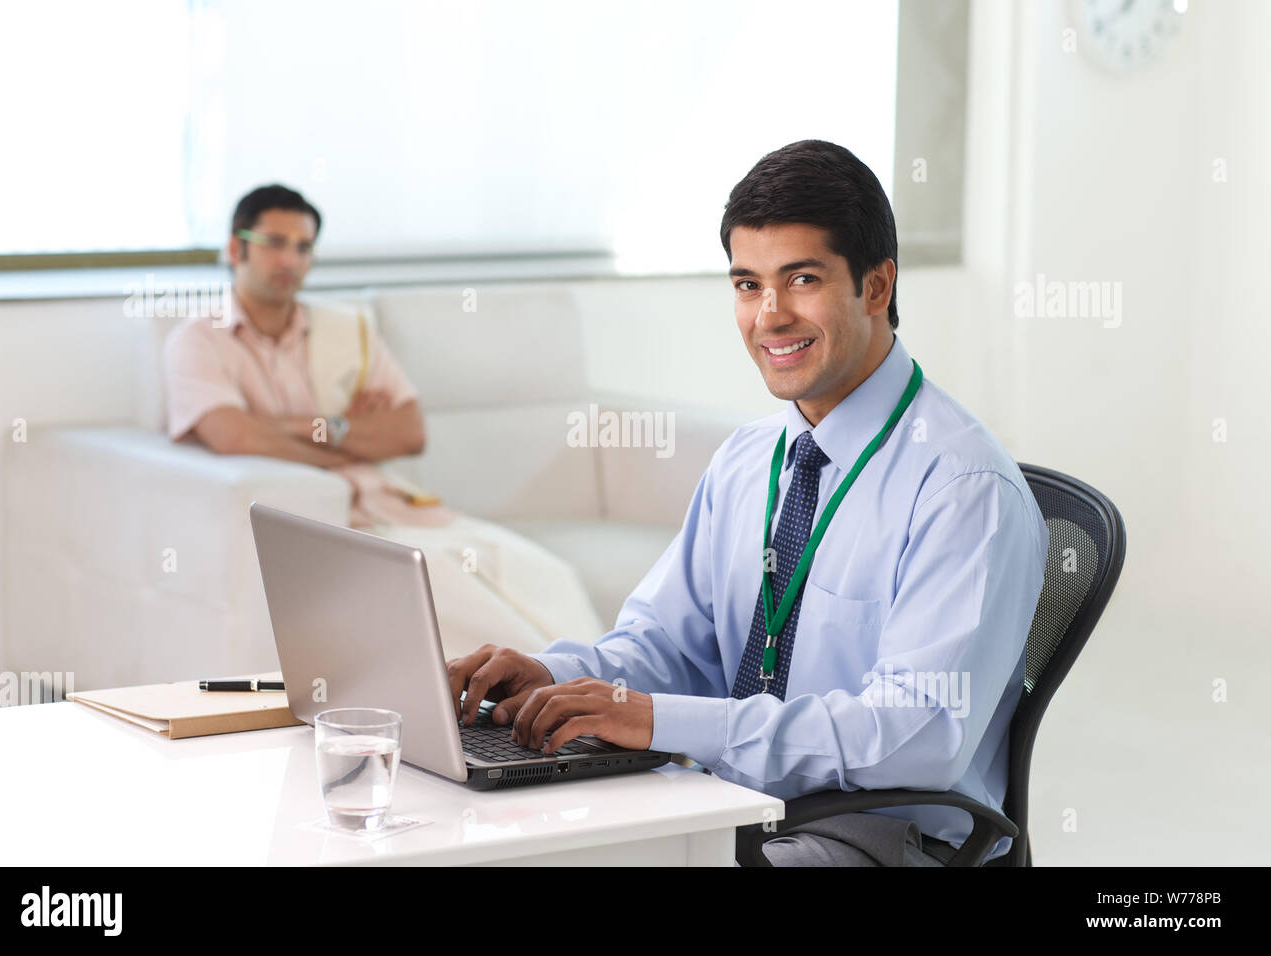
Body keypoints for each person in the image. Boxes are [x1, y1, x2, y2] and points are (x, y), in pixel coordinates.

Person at [446, 141, 1049, 867]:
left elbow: (914, 735)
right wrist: (558, 676)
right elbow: (668, 644)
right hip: (726, 798)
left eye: (801, 279)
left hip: (873, 833)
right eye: (746, 283)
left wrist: (660, 720)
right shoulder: (748, 458)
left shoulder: (962, 489)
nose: (770, 316)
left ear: (877, 286)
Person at [162, 184, 603, 659]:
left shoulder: (345, 329)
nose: (290, 259)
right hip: (327, 520)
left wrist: (311, 428)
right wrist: (352, 432)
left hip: (397, 506)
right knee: (442, 578)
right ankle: (544, 701)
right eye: (274, 243)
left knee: (543, 571)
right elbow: (231, 435)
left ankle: (592, 696)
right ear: (235, 248)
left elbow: (410, 432)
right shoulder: (198, 341)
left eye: (303, 247)